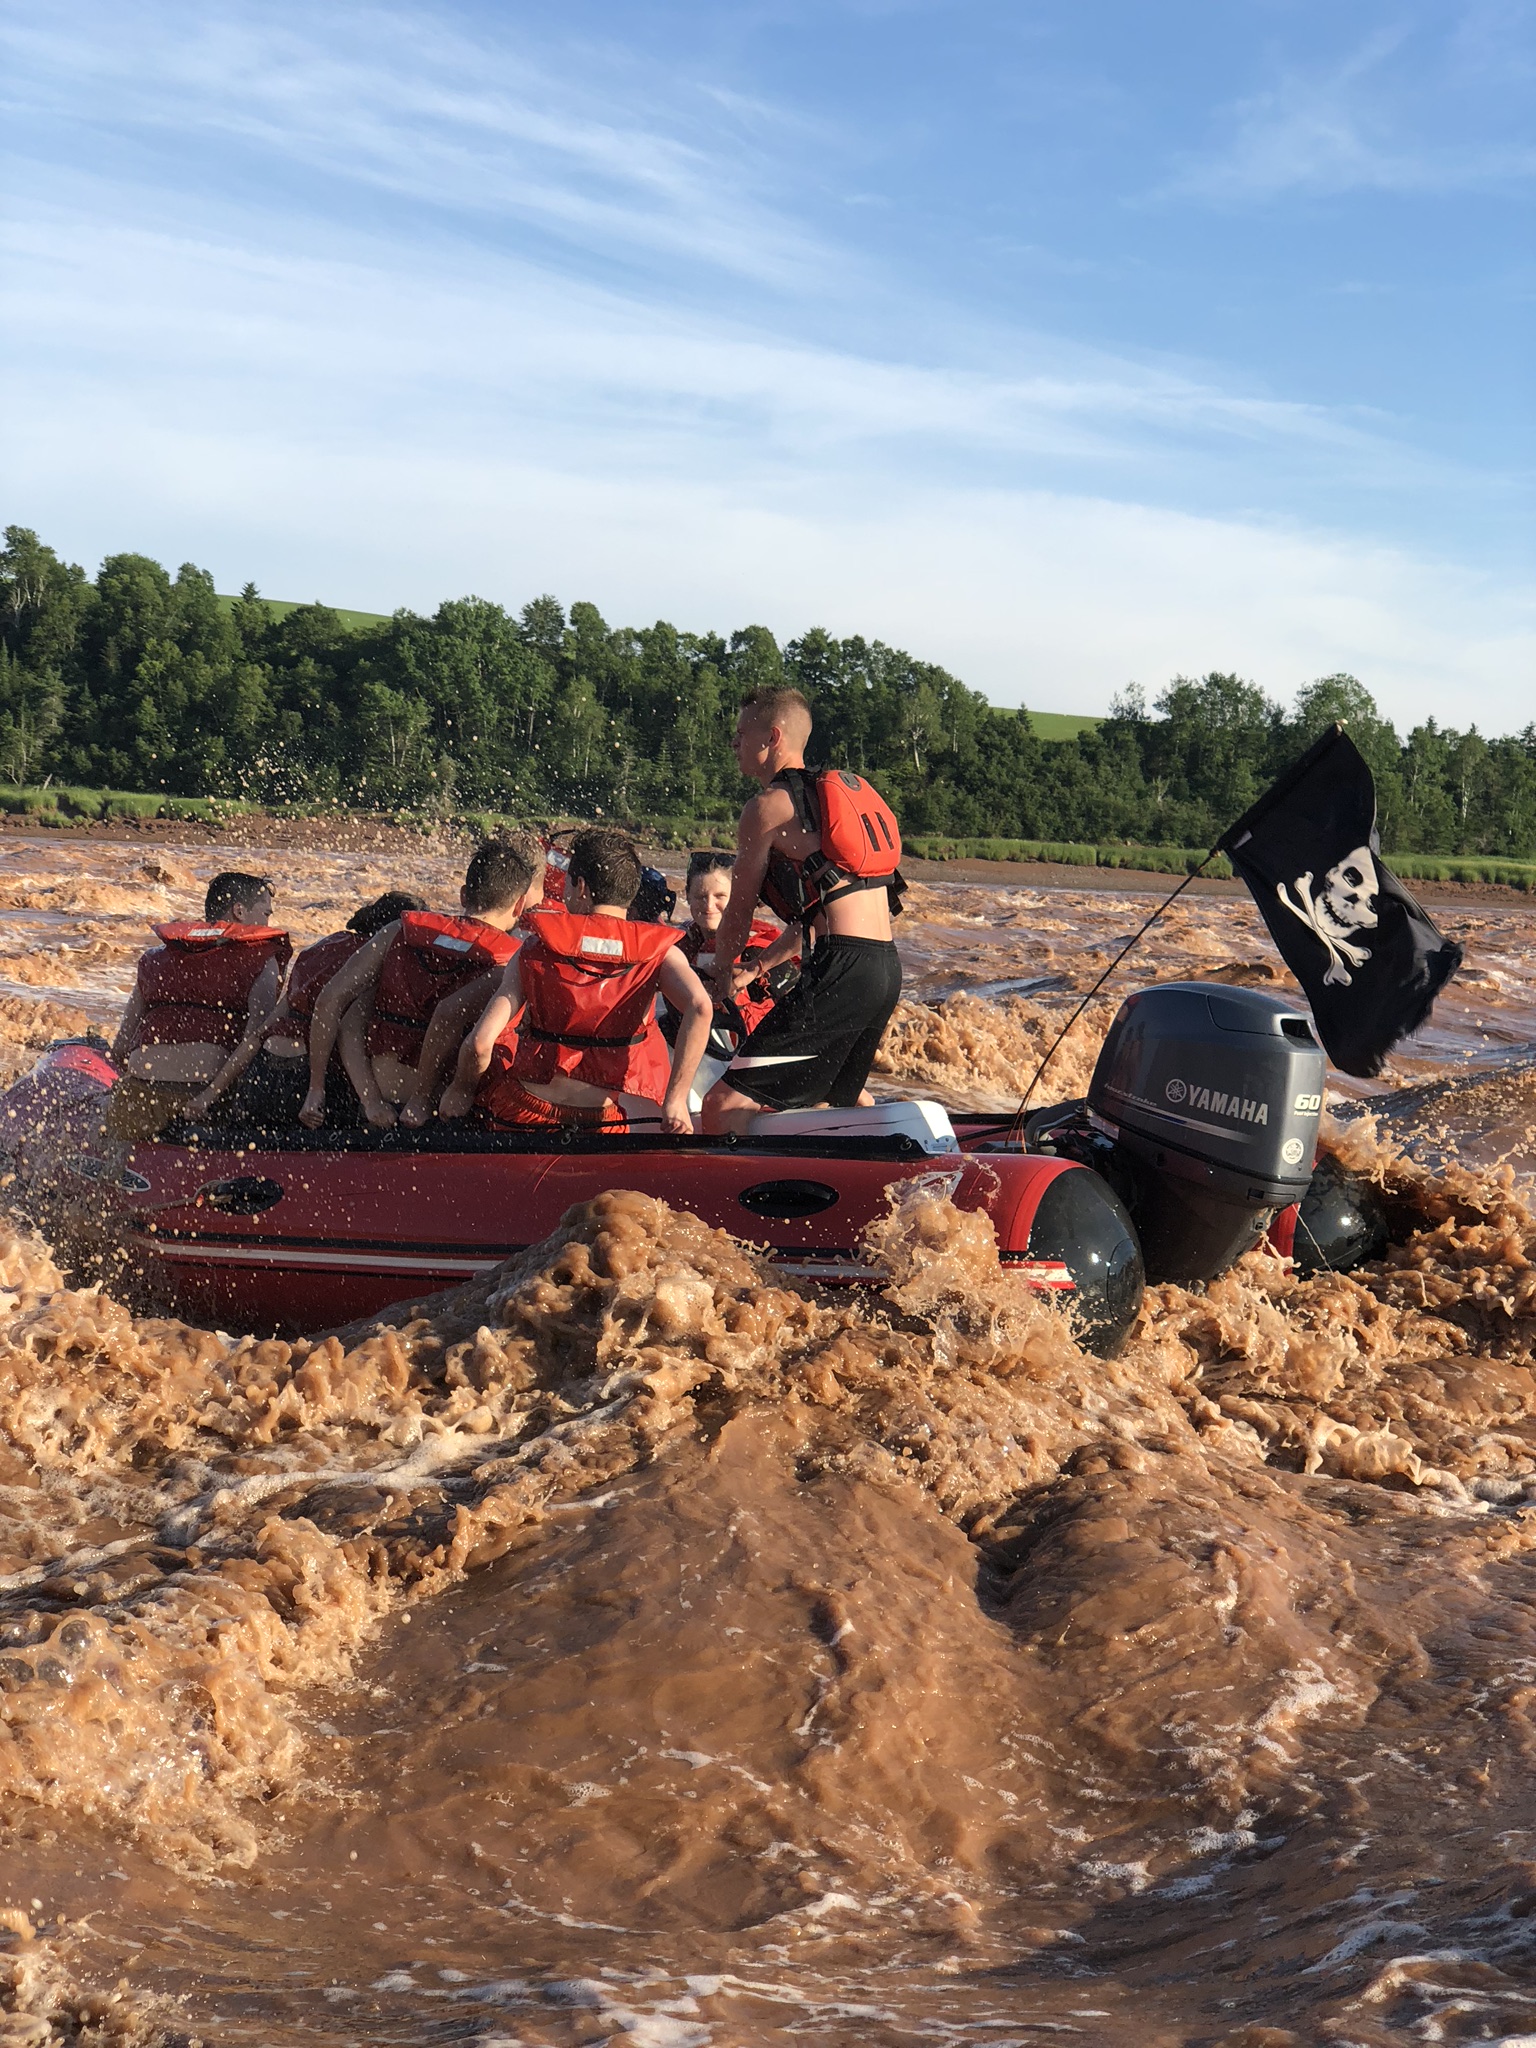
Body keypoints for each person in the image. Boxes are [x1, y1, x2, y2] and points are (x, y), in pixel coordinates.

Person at [701, 688, 904, 1134]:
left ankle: (726, 1199)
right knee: (829, 1108)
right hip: (884, 969)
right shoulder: (822, 800)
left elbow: (737, 907)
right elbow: (817, 917)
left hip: (843, 969)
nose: (734, 744)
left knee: (721, 1105)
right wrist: (757, 968)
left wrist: (720, 972)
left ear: (772, 737)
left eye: (740, 734)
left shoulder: (766, 807)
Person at [439, 827, 711, 1136]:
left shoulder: (534, 947)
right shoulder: (661, 954)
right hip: (600, 1123)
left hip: (523, 1113)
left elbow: (479, 1043)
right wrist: (674, 1101)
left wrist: (460, 1090)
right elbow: (700, 1007)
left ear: (580, 887)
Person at [301, 838, 541, 1130]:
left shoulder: (398, 931)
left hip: (380, 1103)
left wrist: (317, 1089)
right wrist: (422, 1097)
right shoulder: (510, 961)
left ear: (464, 895)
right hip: (449, 1114)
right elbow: (454, 1020)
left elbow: (330, 1000)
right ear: (519, 905)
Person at [187, 891, 427, 1128]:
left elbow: (261, 1033)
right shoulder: (376, 960)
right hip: (308, 1083)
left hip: (264, 1075)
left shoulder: (320, 949)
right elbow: (349, 1033)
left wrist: (208, 1096)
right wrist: (370, 1102)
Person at [109, 871, 290, 1137]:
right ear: (239, 910)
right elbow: (256, 1039)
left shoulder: (155, 958)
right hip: (203, 1095)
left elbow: (121, 1047)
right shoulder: (261, 958)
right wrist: (208, 1096)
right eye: (266, 913)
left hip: (139, 1091)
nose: (267, 921)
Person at [663, 851, 799, 1106]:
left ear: (737, 899)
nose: (708, 905)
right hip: (697, 1062)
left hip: (749, 1068)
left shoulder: (762, 951)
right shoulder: (678, 944)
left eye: (719, 897)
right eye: (700, 896)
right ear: (688, 898)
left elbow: (794, 1020)